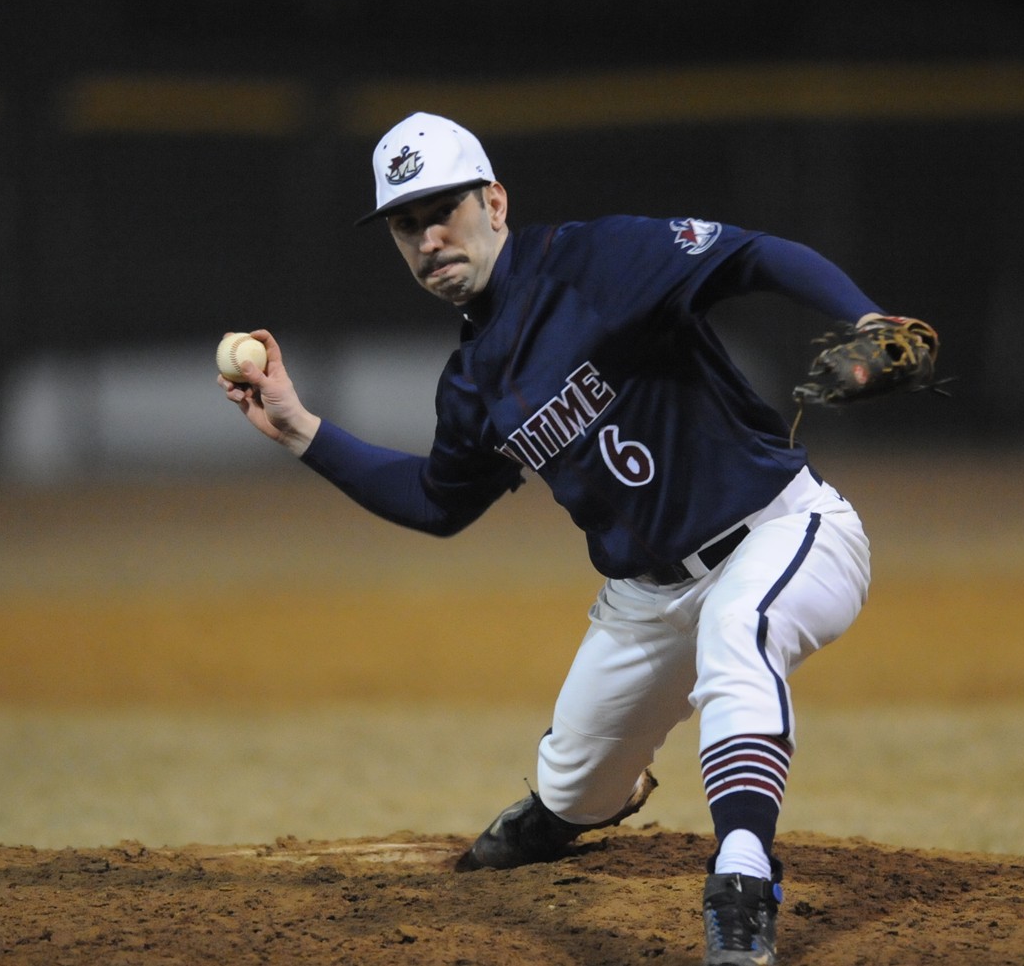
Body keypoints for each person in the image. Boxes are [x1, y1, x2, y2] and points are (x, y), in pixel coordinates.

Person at [220, 111, 933, 966]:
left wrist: (868, 320)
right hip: (644, 598)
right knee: (572, 785)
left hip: (785, 533)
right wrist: (302, 429)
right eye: (406, 225)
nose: (427, 238)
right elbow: (437, 502)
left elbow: (751, 254)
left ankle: (742, 880)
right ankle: (578, 805)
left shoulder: (598, 261)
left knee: (736, 637)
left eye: (443, 208)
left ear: (496, 201)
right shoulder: (474, 381)